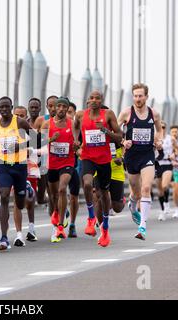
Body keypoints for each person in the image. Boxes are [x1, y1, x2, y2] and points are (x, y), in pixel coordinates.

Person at [73, 90, 123, 247]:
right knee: (87, 183)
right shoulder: (81, 115)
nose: (94, 100)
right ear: (87, 100)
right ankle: (90, 217)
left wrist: (105, 130)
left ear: (101, 101)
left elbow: (119, 136)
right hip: (88, 157)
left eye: (97, 98)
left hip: (104, 160)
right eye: (91, 98)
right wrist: (76, 141)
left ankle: (105, 229)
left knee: (104, 194)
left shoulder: (108, 114)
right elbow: (75, 126)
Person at [117, 83, 163, 240]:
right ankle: (132, 202)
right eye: (135, 96)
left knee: (146, 188)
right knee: (136, 191)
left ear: (146, 97)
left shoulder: (154, 114)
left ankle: (142, 226)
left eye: (140, 96)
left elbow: (160, 130)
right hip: (131, 156)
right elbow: (115, 132)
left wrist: (159, 140)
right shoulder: (126, 113)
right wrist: (123, 141)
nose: (138, 99)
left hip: (148, 155)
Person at [0, 96, 31, 250]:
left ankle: (26, 188)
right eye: (1, 107)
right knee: (3, 196)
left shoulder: (20, 122)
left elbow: (38, 139)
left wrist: (21, 146)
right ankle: (4, 237)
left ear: (11, 107)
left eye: (6, 107)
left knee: (20, 202)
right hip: (4, 165)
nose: (4, 110)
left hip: (20, 166)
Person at [40, 97, 76, 243]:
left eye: (64, 107)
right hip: (52, 164)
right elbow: (39, 143)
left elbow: (78, 141)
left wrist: (77, 146)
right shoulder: (46, 124)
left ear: (67, 109)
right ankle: (56, 211)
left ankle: (60, 225)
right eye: (58, 106)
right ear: (54, 108)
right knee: (54, 195)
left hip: (67, 162)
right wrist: (50, 140)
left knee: (62, 190)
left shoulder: (72, 124)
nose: (61, 109)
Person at [13, 106, 39, 245]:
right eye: (17, 115)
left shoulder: (29, 129)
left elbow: (38, 144)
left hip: (30, 165)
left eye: (22, 115)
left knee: (30, 199)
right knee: (18, 200)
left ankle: (31, 227)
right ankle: (19, 234)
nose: (20, 118)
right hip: (14, 165)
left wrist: (28, 149)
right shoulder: (8, 130)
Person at [156, 121, 178, 221]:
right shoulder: (154, 137)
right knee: (159, 190)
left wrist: (174, 155)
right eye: (160, 127)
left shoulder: (171, 138)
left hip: (168, 164)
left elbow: (177, 149)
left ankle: (166, 202)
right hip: (157, 165)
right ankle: (162, 211)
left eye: (163, 127)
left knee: (165, 185)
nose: (162, 129)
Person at [66, 101, 81, 238]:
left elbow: (83, 149)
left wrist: (78, 149)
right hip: (57, 166)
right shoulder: (54, 126)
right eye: (66, 112)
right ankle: (62, 210)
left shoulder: (78, 129)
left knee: (74, 196)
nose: (68, 115)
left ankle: (72, 224)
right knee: (57, 192)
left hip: (73, 166)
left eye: (71, 112)